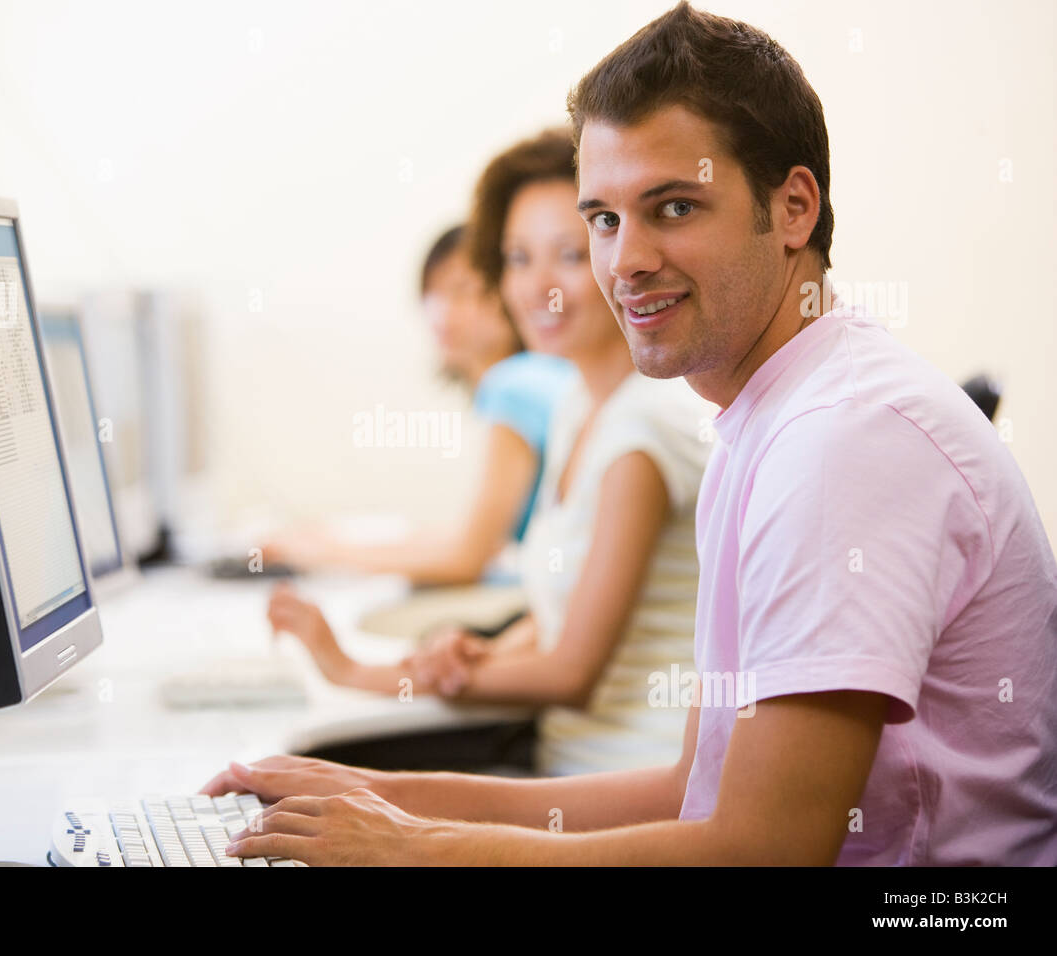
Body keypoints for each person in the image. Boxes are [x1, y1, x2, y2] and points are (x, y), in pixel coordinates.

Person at [210, 1, 1057, 865]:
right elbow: (690, 792)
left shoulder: (838, 443)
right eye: (605, 219)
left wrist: (418, 849)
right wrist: (372, 795)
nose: (625, 260)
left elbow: (764, 851)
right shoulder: (763, 421)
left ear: (794, 207)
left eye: (675, 207)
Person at [268, 127, 714, 776]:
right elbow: (560, 619)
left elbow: (571, 673)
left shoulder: (642, 431)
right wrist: (477, 655)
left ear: (617, 254)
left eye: (567, 253)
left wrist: (357, 671)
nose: (538, 288)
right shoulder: (578, 406)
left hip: (618, 794)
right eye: (517, 259)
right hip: (561, 769)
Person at [264, 225, 573, 585]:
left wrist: (320, 553)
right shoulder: (539, 377)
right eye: (433, 293)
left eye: (463, 291)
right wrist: (334, 541)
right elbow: (477, 540)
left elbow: (465, 559)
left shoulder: (514, 387)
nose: (442, 312)